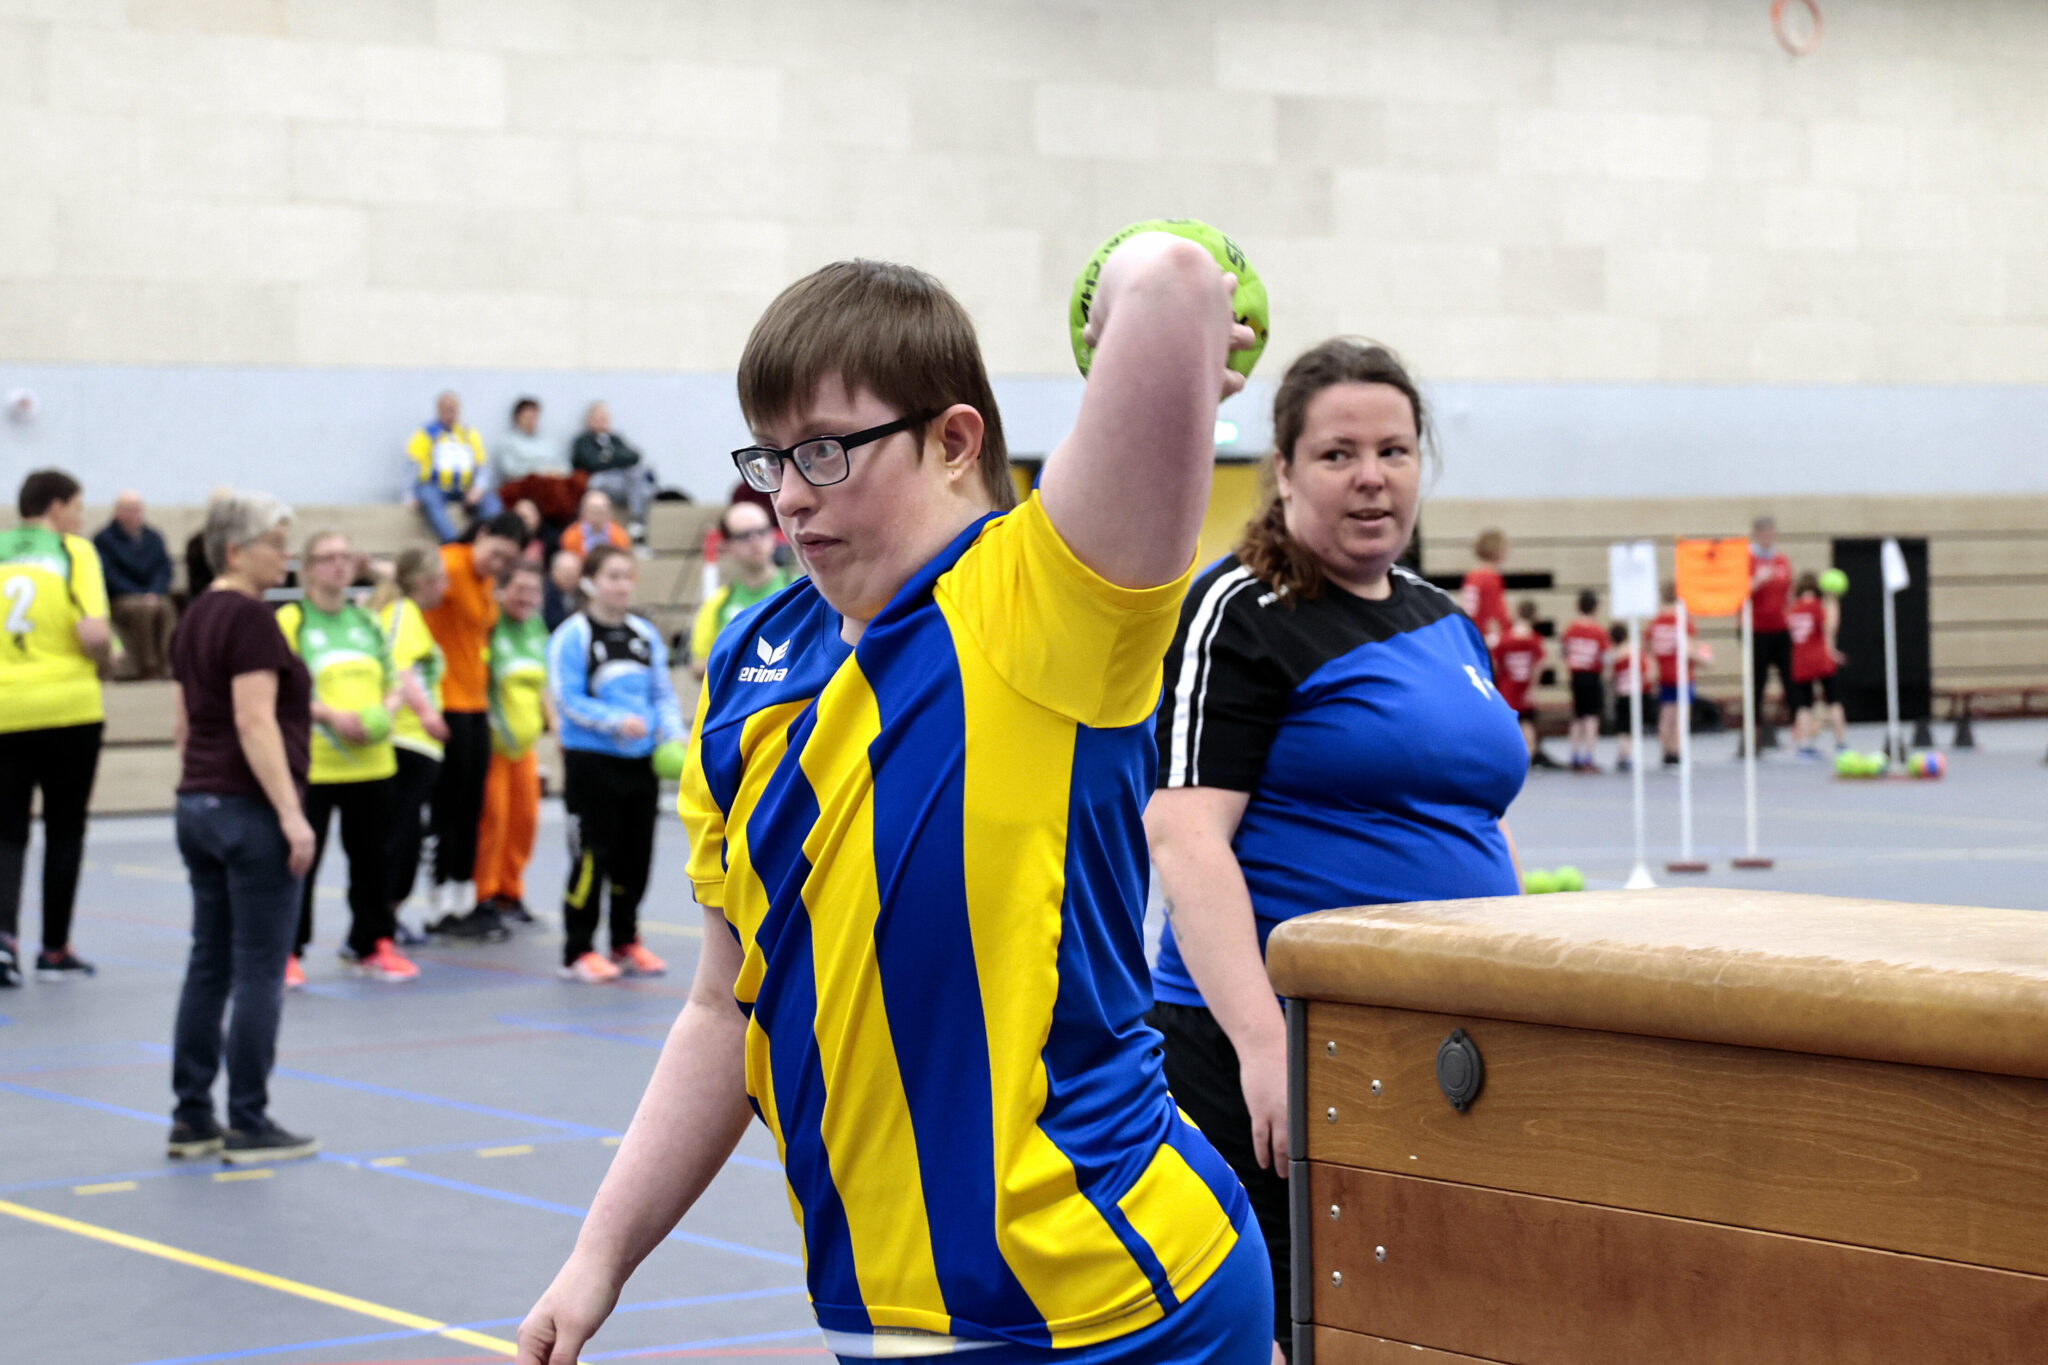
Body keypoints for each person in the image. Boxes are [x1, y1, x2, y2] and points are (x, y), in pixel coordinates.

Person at [518, 247, 1271, 1365]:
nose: (787, 495)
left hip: (1118, 1302)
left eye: (824, 450)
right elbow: (725, 1008)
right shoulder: (748, 669)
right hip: (880, 1315)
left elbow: (1170, 283)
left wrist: (1148, 331)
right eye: (770, 456)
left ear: (954, 441)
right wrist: (598, 1258)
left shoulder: (1040, 605)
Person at [1145, 337, 1525, 1363]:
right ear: (1283, 470)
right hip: (1274, 1043)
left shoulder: (1444, 621)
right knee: (1284, 1327)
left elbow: (1473, 818)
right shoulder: (1242, 612)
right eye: (1337, 454)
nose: (1371, 477)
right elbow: (1184, 835)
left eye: (1394, 451)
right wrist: (1263, 1044)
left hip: (1436, 1036)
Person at [167, 490, 319, 1163]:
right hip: (247, 809)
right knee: (259, 966)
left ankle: (192, 1115)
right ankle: (249, 1118)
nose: (284, 555)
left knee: (209, 961)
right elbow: (254, 719)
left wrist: (199, 788)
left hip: (200, 803)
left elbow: (183, 724)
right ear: (234, 551)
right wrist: (289, 813)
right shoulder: (252, 618)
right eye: (273, 543)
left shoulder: (194, 615)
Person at [277, 531, 414, 986]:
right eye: (327, 558)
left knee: (374, 860)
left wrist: (384, 712)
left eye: (344, 557)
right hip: (316, 764)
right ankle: (287, 950)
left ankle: (372, 943)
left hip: (372, 764)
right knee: (301, 861)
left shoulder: (367, 621)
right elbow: (281, 689)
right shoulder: (292, 621)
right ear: (307, 569)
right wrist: (332, 716)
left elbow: (394, 681)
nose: (338, 565)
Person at [544, 545, 680, 984]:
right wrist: (615, 720)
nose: (622, 585)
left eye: (627, 576)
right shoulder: (572, 636)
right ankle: (577, 950)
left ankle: (625, 940)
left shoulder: (644, 634)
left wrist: (672, 732)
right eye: (612, 576)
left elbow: (662, 693)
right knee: (591, 857)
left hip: (640, 764)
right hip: (591, 763)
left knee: (635, 857)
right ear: (590, 582)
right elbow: (567, 699)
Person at [0, 469, 114, 986]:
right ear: (55, 506)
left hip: (6, 709)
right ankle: (54, 949)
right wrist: (107, 661)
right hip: (68, 707)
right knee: (65, 828)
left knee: (7, 831)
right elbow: (92, 632)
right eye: (77, 506)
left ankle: (3, 945)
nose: (81, 518)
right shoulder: (74, 552)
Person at [421, 511, 530, 942]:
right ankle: (437, 906)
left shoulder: (485, 582)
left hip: (474, 704)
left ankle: (463, 902)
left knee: (470, 810)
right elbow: (407, 585)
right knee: (446, 810)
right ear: (481, 533)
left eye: (507, 561)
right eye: (495, 553)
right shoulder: (449, 563)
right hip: (444, 701)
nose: (497, 565)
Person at [371, 548, 450, 944]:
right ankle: (378, 921)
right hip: (405, 739)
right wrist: (426, 713)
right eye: (441, 579)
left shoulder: (414, 615)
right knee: (399, 836)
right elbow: (397, 666)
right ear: (422, 581)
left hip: (421, 745)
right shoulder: (401, 613)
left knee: (408, 834)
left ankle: (386, 917)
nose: (445, 588)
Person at [476, 560, 551, 926]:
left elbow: (544, 684)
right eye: (519, 589)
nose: (527, 598)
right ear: (502, 590)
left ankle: (510, 890)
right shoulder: (491, 625)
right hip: (492, 747)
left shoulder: (536, 628)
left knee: (525, 821)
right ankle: (484, 894)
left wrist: (554, 724)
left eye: (534, 591)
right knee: (493, 821)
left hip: (524, 747)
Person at [686, 500, 796, 679]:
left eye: (762, 532)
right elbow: (698, 666)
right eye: (744, 536)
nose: (756, 541)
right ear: (726, 545)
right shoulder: (717, 603)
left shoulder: (801, 588)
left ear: (772, 534)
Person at [94, 490, 177, 681]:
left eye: (138, 509)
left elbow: (164, 569)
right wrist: (140, 593)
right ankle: (148, 666)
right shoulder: (104, 539)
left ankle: (168, 663)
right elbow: (109, 575)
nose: (137, 514)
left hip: (152, 593)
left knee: (166, 607)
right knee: (141, 609)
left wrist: (154, 591)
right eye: (131, 509)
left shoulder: (153, 537)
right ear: (119, 512)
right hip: (120, 597)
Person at [408, 391, 501, 544]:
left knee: (491, 500)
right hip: (435, 486)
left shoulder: (468, 433)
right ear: (438, 409)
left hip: (464, 486)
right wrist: (409, 494)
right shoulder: (426, 432)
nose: (450, 413)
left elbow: (482, 465)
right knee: (428, 496)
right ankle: (453, 542)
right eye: (446, 409)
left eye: (453, 409)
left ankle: (488, 539)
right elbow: (412, 465)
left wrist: (478, 487)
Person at [570, 401, 653, 538]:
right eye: (597, 418)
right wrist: (617, 459)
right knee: (640, 488)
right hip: (600, 480)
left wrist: (608, 457)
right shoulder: (583, 441)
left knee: (639, 474)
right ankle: (637, 522)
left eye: (604, 418)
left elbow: (634, 456)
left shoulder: (615, 439)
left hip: (622, 481)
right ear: (589, 420)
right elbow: (593, 464)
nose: (601, 421)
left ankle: (637, 522)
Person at [1649, 582, 1711, 766]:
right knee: (1680, 717)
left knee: (1666, 715)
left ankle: (1666, 751)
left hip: (1663, 674)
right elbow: (1688, 649)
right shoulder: (1683, 621)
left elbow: (1649, 651)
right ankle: (1676, 752)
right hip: (1682, 675)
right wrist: (1705, 660)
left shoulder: (1655, 623)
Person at [1746, 515, 1793, 754]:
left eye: (1771, 532)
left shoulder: (1780, 559)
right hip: (1756, 629)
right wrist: (1756, 581)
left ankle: (1800, 736)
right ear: (1756, 534)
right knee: (1757, 683)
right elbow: (1738, 594)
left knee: (1792, 679)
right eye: (1765, 532)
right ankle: (1753, 738)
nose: (1769, 536)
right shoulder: (1748, 559)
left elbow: (1788, 593)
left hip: (1781, 628)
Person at [1788, 572, 1847, 757]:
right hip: (1821, 659)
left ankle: (1805, 746)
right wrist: (1833, 601)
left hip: (1800, 661)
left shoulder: (1793, 609)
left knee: (1804, 705)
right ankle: (1841, 744)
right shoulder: (1817, 606)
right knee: (1834, 701)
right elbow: (1830, 628)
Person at [1561, 590, 1610, 772]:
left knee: (1577, 716)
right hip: (1592, 676)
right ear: (1595, 608)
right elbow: (1605, 657)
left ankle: (1574, 755)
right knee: (1591, 717)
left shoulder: (1570, 629)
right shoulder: (1598, 631)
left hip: (1576, 676)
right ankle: (1588, 756)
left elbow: (1563, 651)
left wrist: (1572, 663)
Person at [1460, 526, 1511, 647]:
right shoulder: (1490, 577)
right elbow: (1495, 611)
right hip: (1487, 636)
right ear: (1497, 550)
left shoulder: (1472, 575)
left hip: (1471, 632)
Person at [1608, 621, 1648, 774]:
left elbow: (1610, 676)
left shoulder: (1614, 655)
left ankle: (1622, 755)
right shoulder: (1635, 652)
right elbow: (1645, 672)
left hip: (1621, 694)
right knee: (1631, 728)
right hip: (1635, 694)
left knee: (1622, 728)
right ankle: (1626, 755)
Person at [559, 489, 631, 559]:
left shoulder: (620, 536)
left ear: (609, 513)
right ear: (583, 512)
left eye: (601, 512)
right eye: (593, 511)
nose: (597, 516)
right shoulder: (570, 537)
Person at [542, 548, 581, 632]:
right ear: (553, 571)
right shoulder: (543, 594)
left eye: (574, 571)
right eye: (565, 571)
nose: (569, 575)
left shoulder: (583, 594)